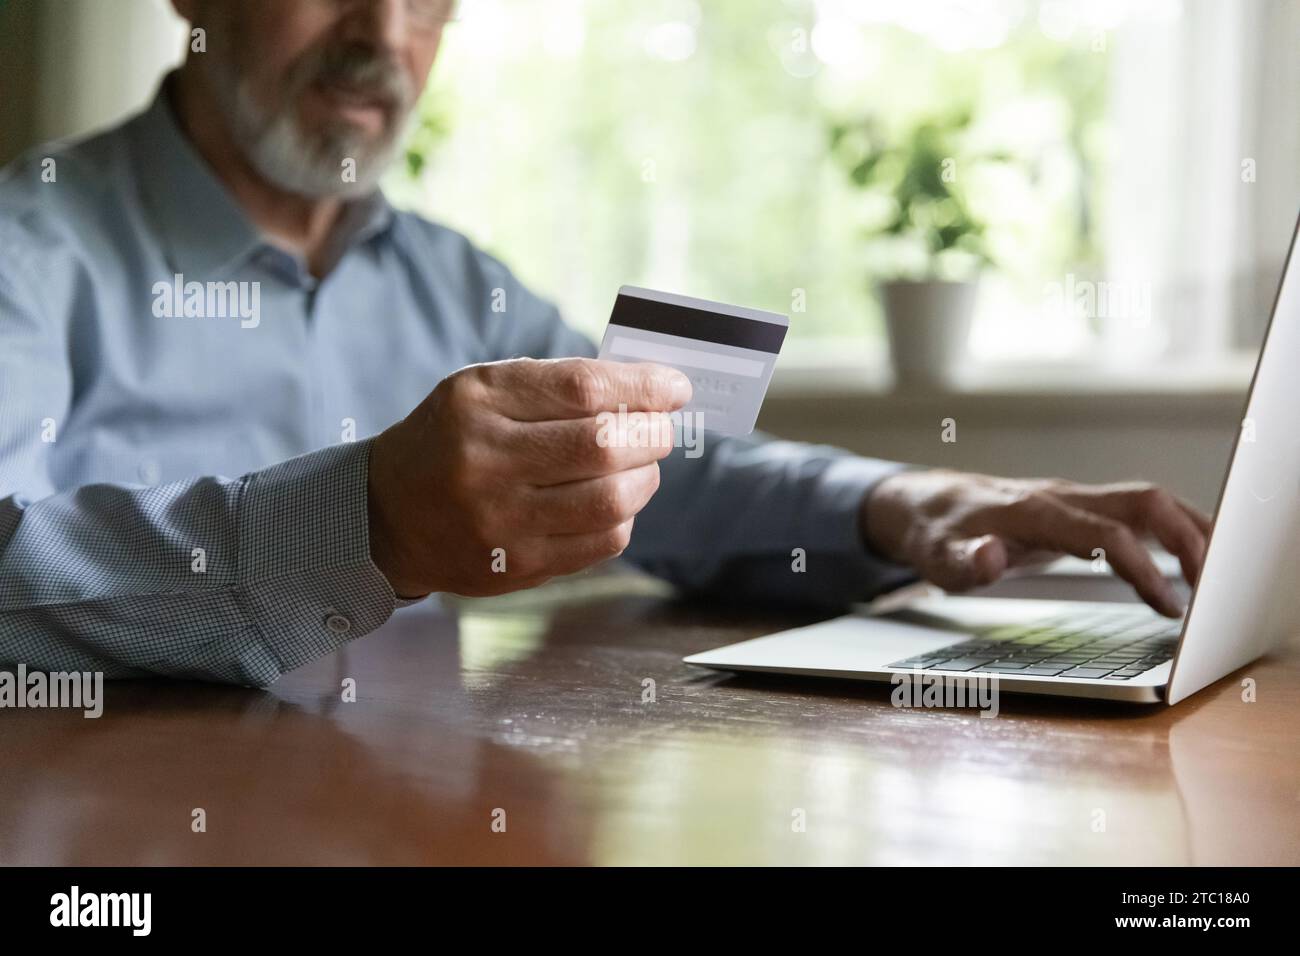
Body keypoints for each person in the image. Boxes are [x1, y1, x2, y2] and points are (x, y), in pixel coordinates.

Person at [0, 0, 1209, 687]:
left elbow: (653, 464)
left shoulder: (451, 280)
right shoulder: (30, 249)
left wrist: (903, 498)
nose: (384, 32)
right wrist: (363, 524)